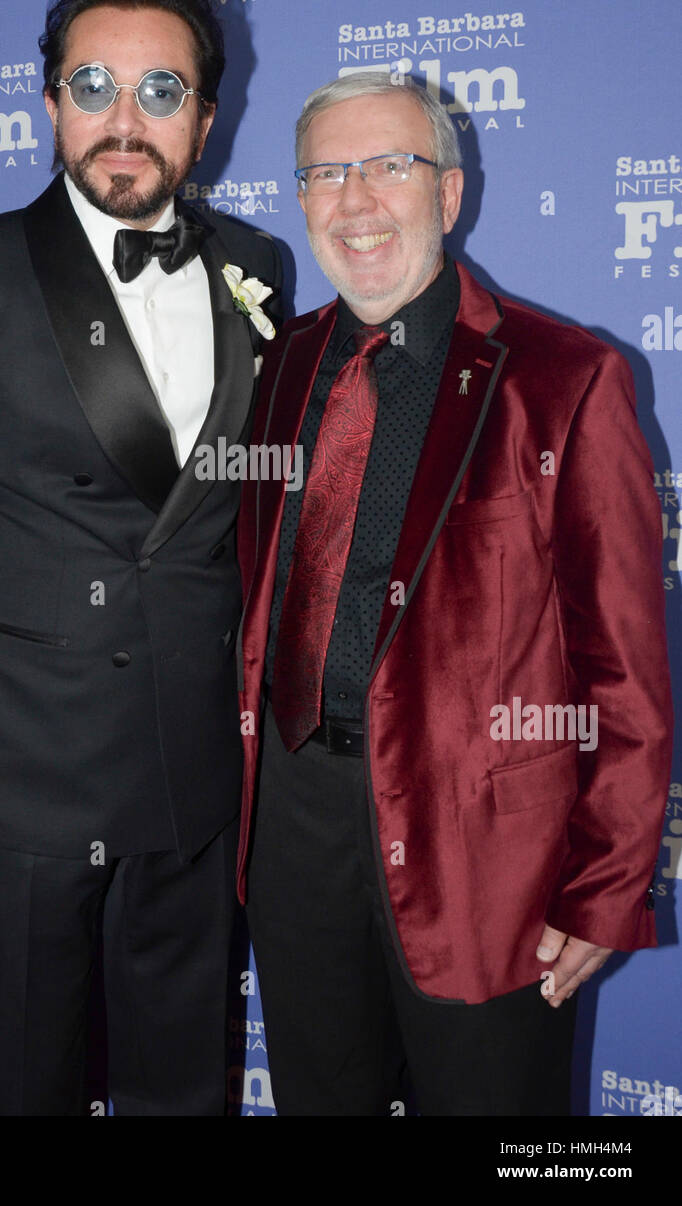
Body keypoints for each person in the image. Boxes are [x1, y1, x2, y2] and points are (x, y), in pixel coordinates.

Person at [0, 0, 280, 1117]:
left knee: (182, 1090)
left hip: (198, 782)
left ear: (203, 116)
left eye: (160, 92)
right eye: (93, 87)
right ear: (49, 102)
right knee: (22, 1091)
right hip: (19, 791)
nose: (123, 122)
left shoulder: (260, 268)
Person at [233, 73, 672, 1115]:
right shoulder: (281, 365)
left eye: (389, 165)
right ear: (299, 201)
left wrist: (604, 884)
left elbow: (622, 664)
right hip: (293, 826)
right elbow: (219, 555)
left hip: (486, 857)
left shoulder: (564, 378)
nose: (355, 199)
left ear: (449, 193)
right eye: (326, 173)